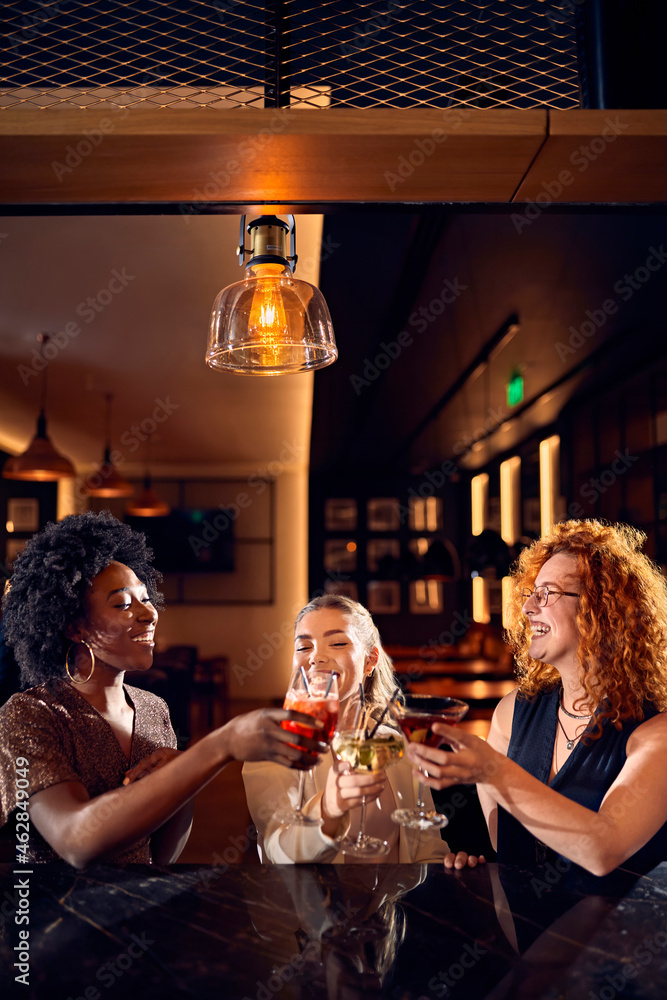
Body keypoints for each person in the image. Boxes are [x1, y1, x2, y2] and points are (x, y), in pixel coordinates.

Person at [0, 511, 325, 868]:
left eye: (146, 599)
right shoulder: (29, 715)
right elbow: (77, 841)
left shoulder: (154, 709)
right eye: (123, 604)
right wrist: (221, 745)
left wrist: (180, 783)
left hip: (138, 916)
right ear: (75, 627)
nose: (150, 614)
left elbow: (162, 855)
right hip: (56, 918)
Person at [407, 519, 667, 877]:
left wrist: (492, 770)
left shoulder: (657, 731)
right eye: (530, 593)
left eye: (546, 593)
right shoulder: (509, 713)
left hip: (623, 933)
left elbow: (603, 850)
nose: (528, 608)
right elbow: (507, 845)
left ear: (602, 611)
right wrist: (472, 862)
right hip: (526, 933)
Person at [243, 594, 481, 865]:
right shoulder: (268, 747)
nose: (315, 657)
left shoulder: (395, 743)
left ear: (370, 661)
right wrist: (328, 810)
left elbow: (425, 850)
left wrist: (450, 866)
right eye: (303, 647)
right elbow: (278, 852)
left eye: (337, 643)